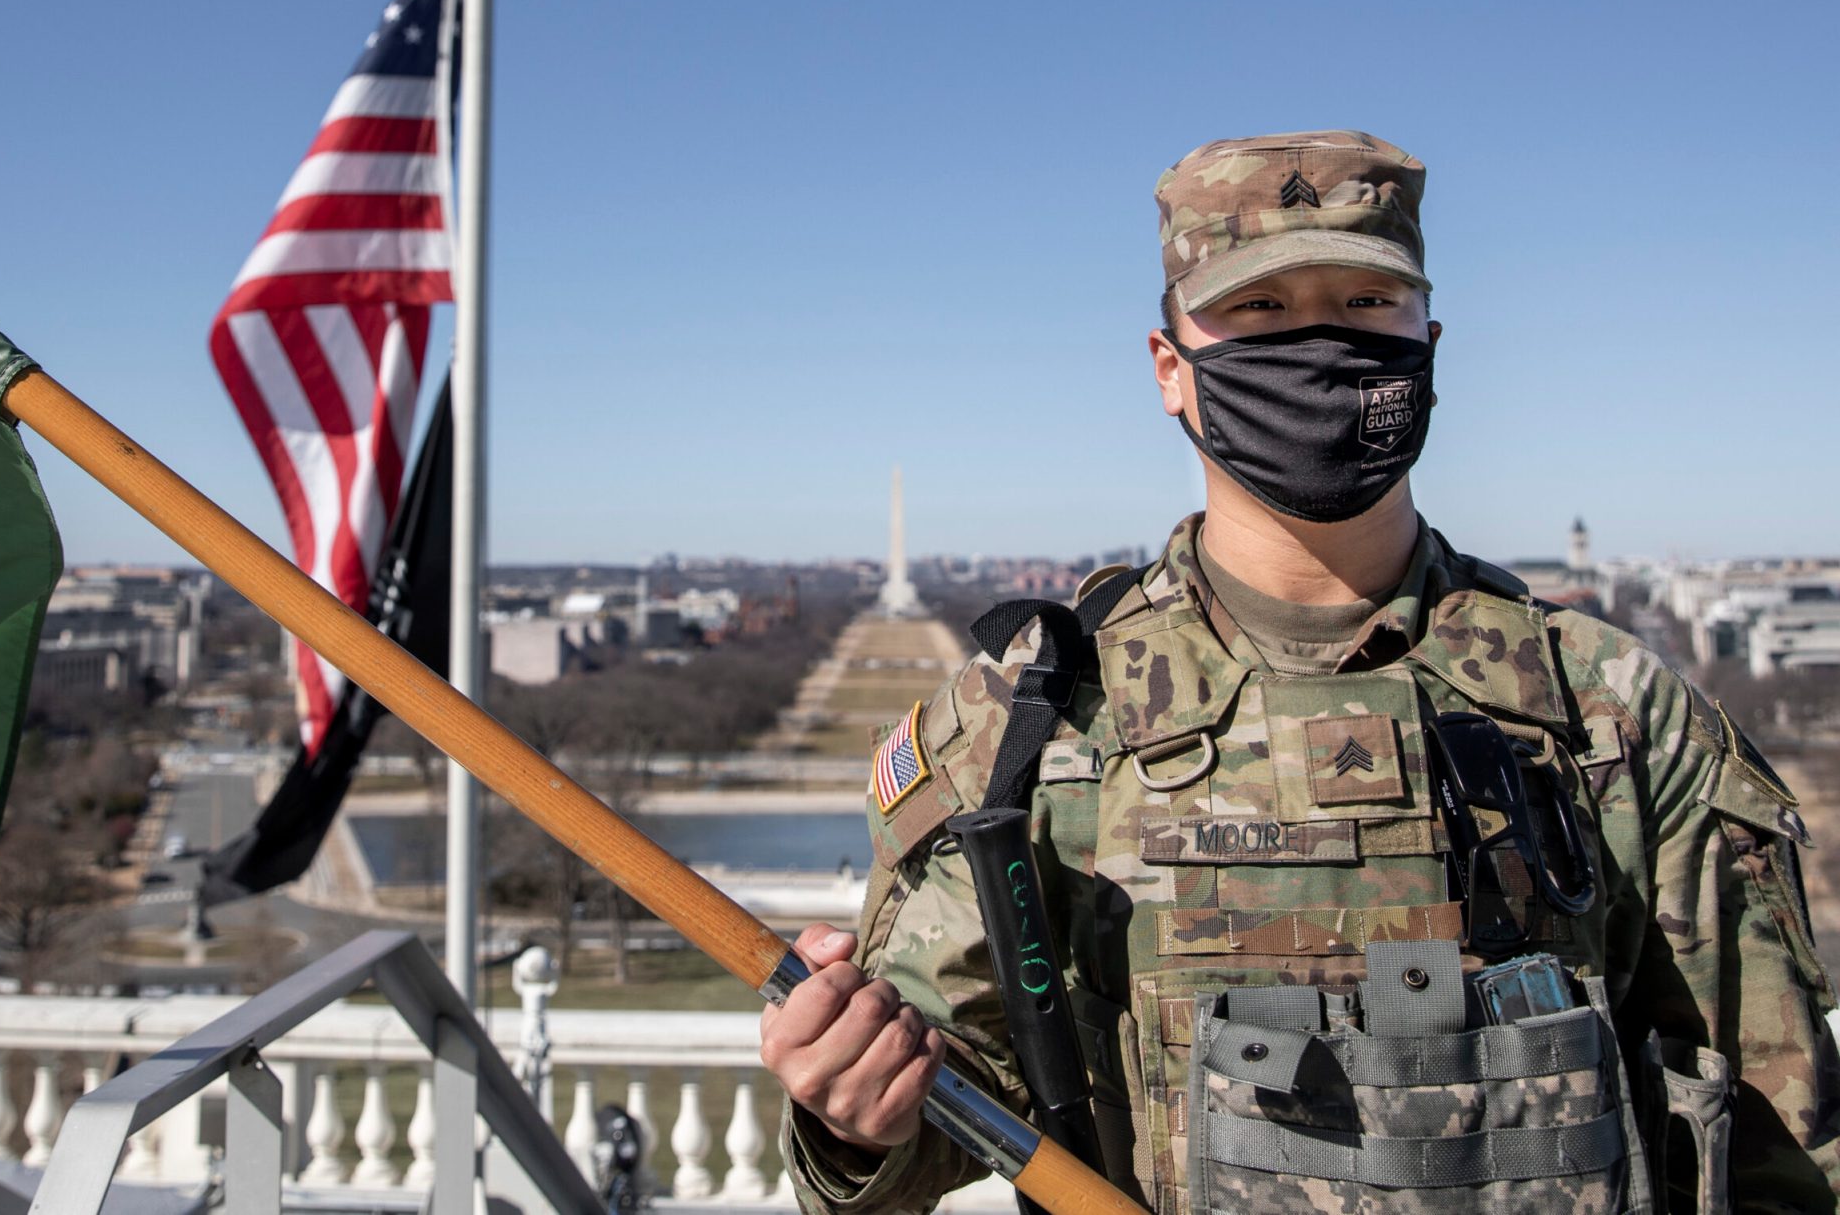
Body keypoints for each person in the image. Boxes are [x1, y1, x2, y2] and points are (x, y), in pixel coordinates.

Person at [761, 131, 1840, 1213]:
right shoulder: (1026, 723)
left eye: (1365, 303)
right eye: (1262, 310)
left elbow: (1777, 1145)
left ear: (1429, 344)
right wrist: (855, 1109)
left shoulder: (1610, 707)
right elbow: (943, 1114)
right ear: (1170, 367)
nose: (1318, 345)